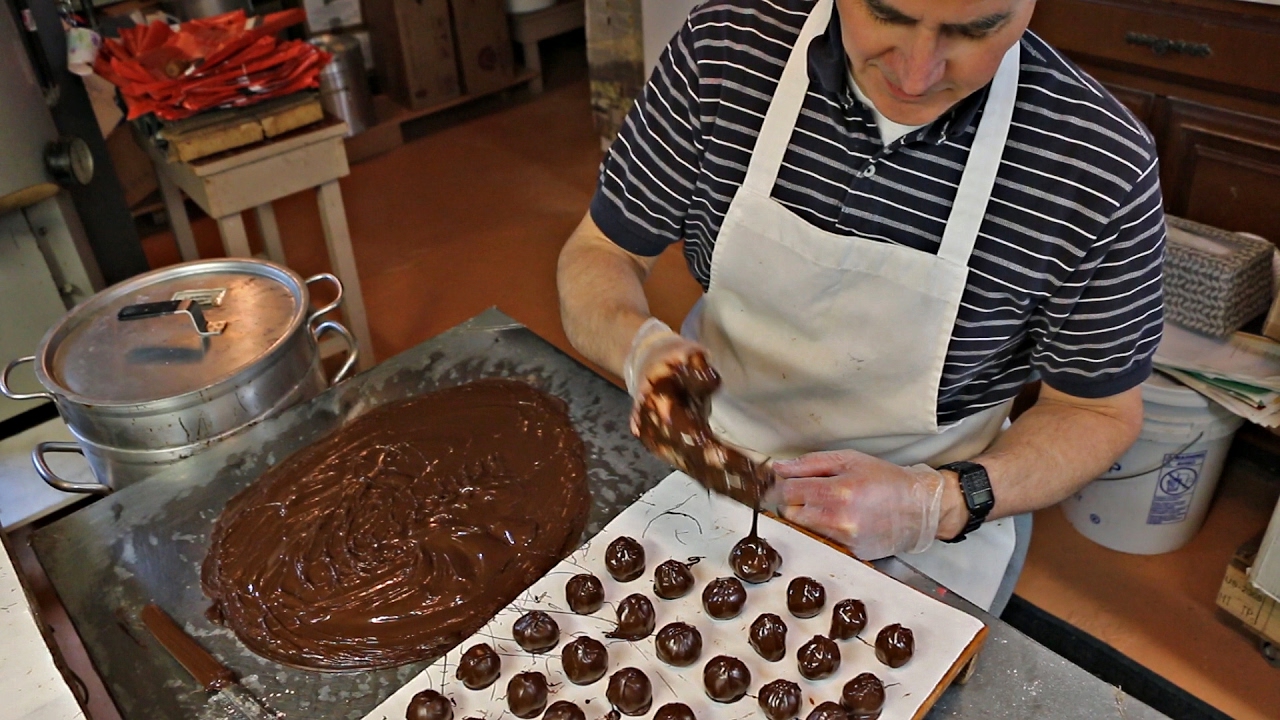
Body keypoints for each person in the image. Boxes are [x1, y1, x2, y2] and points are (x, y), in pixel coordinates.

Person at [557, 0, 1164, 614]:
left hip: (923, 520)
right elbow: (602, 252)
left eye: (974, 31)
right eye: (887, 15)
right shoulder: (728, 49)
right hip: (710, 459)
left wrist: (938, 504)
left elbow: (1099, 412)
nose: (916, 73)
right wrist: (640, 348)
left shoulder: (1098, 164)